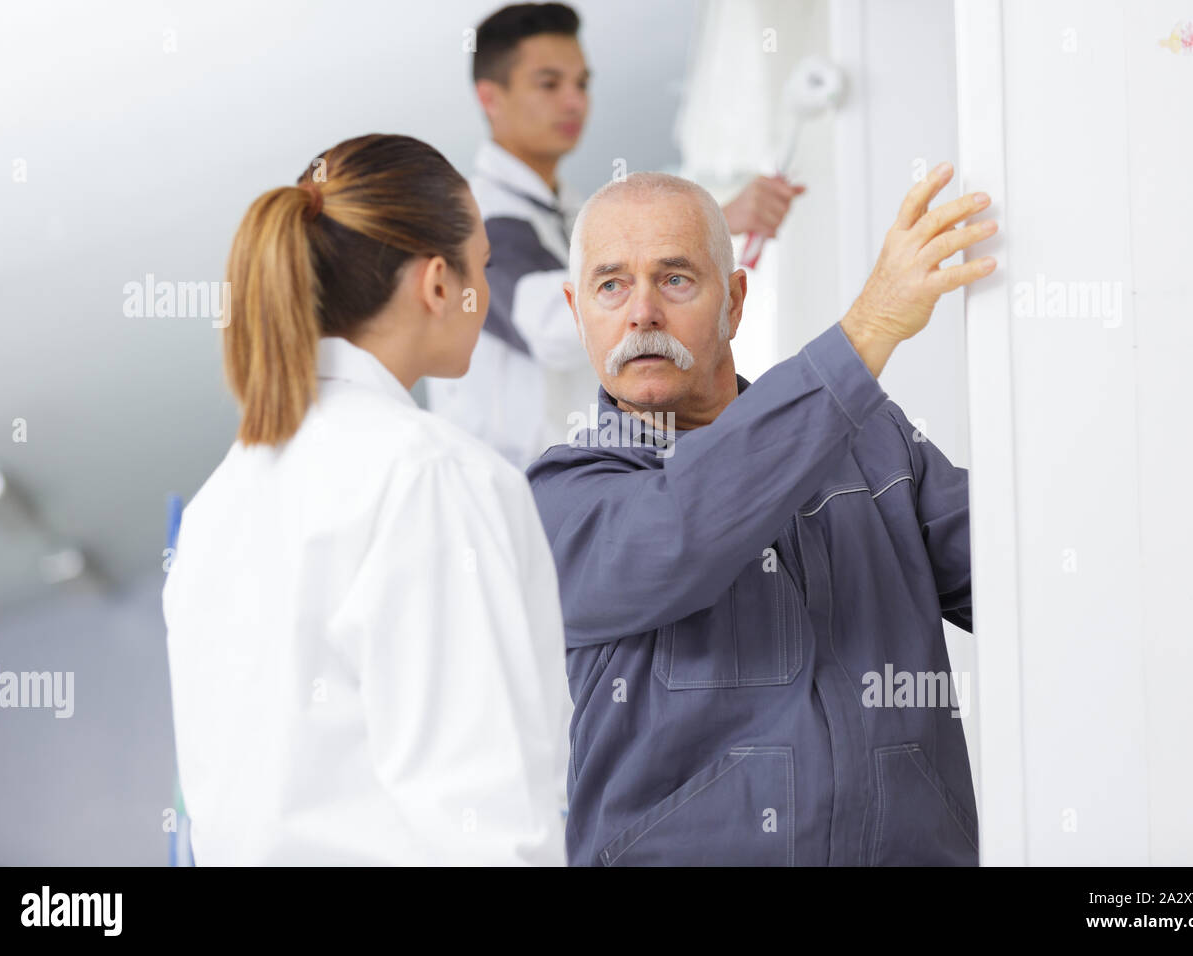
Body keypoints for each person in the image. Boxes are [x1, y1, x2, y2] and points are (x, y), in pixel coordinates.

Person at [526, 162, 999, 865]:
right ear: (578, 311)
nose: (642, 311)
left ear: (735, 301)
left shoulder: (873, 444)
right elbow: (681, 531)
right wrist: (867, 331)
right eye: (611, 284)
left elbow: (1019, 577)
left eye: (676, 279)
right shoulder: (566, 495)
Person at [163, 133, 571, 865]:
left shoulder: (214, 507)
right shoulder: (433, 474)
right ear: (438, 284)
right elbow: (489, 818)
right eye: (485, 265)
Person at [426, 1, 807, 469]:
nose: (574, 101)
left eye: (581, 83)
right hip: (510, 495)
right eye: (549, 84)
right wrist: (717, 224)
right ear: (490, 98)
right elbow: (545, 323)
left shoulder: (569, 207)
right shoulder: (480, 217)